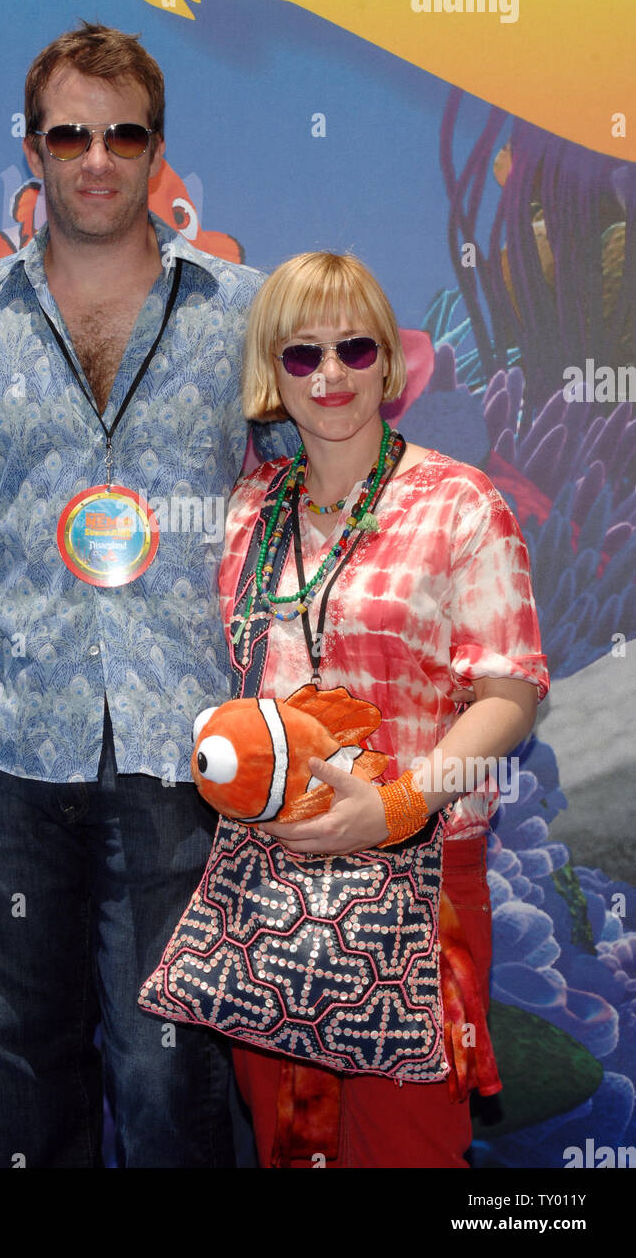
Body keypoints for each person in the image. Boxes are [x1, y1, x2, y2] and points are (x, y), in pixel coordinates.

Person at [0, 22, 293, 1168]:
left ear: (158, 153)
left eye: (122, 134)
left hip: (186, 756)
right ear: (32, 152)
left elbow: (328, 485)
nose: (95, 158)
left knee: (168, 1075)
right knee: (25, 1060)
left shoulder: (246, 313)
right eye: (70, 135)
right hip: (11, 755)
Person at [216, 250, 549, 1168]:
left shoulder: (459, 502)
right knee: (290, 1145)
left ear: (388, 365)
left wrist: (396, 806)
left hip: (418, 873)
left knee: (409, 1149)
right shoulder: (247, 510)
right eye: (301, 354)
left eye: (354, 350)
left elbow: (510, 693)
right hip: (273, 884)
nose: (329, 375)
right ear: (270, 372)